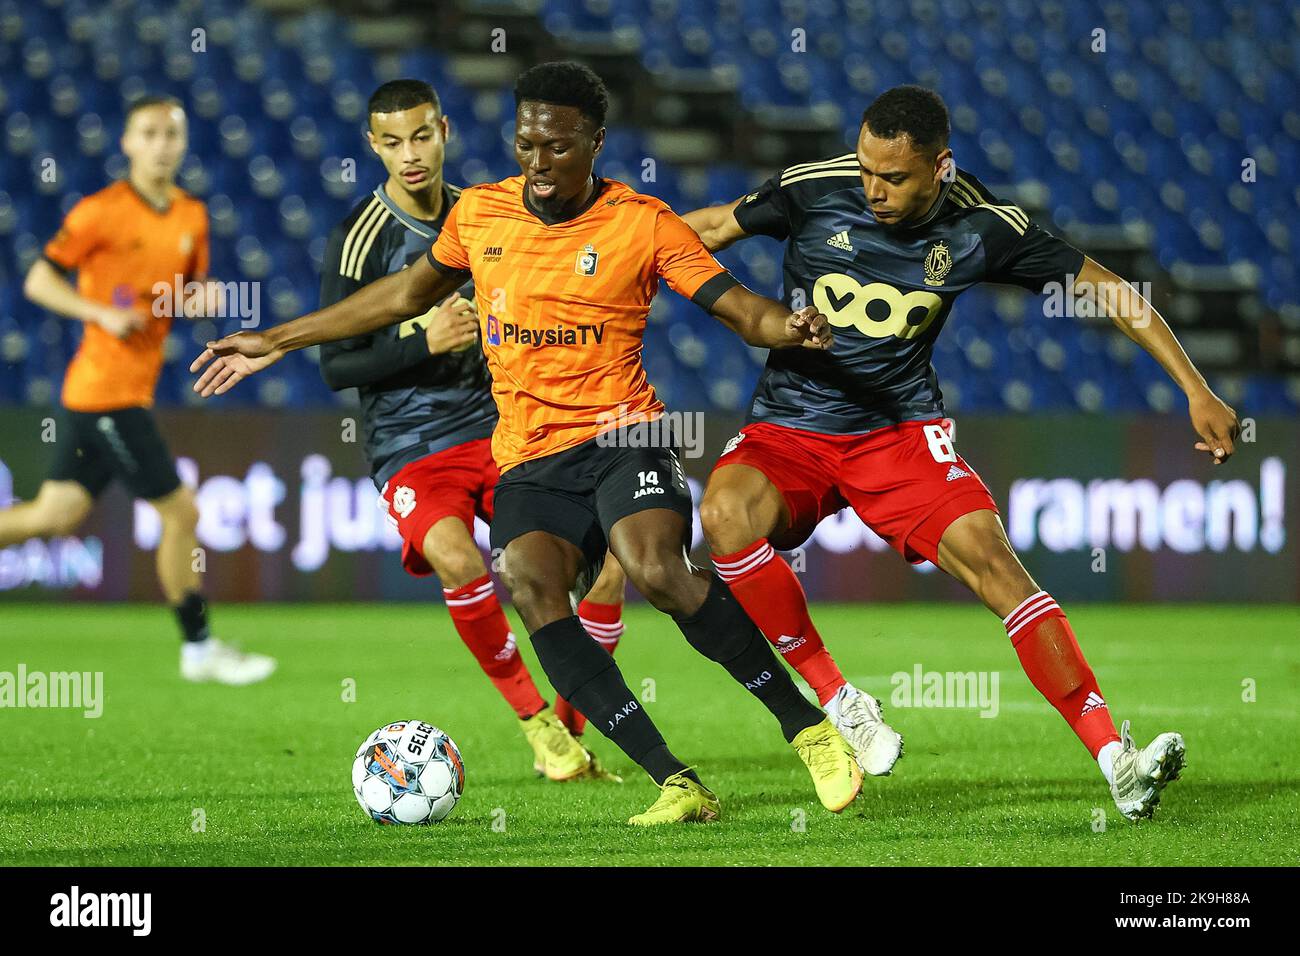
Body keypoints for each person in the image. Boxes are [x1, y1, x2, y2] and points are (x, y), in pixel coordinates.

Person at [191, 61, 862, 825]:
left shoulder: (642, 222)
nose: (540, 164)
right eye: (527, 145)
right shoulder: (478, 214)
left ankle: (809, 730)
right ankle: (675, 781)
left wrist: (790, 325)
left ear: (596, 143)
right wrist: (276, 339)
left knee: (653, 568)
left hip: (626, 437)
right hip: (529, 459)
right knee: (536, 591)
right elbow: (406, 295)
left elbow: (739, 309)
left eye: (559, 148)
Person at [683, 85, 1240, 820]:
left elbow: (1110, 291)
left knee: (999, 570)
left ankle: (1117, 761)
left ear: (941, 167)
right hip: (792, 426)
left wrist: (1195, 389)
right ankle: (839, 699)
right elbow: (705, 230)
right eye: (866, 170)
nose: (873, 189)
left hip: (899, 435)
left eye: (894, 177)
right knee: (722, 514)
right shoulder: (813, 191)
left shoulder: (983, 229)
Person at [318, 79, 625, 780]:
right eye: (392, 142)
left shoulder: (489, 213)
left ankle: (571, 730)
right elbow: (337, 365)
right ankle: (536, 724)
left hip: (502, 432)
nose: (410, 155)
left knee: (607, 567)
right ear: (373, 146)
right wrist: (420, 343)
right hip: (410, 445)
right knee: (459, 560)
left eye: (421, 136)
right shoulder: (360, 238)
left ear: (445, 130)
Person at [2, 96, 275, 685]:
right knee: (183, 513)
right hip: (106, 393)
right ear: (127, 143)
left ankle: (201, 648)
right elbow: (38, 278)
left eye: (171, 134)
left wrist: (203, 300)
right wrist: (98, 311)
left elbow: (188, 289)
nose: (161, 144)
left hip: (115, 394)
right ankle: (199, 647)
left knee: (53, 516)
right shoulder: (100, 212)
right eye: (148, 133)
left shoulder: (191, 215)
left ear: (182, 144)